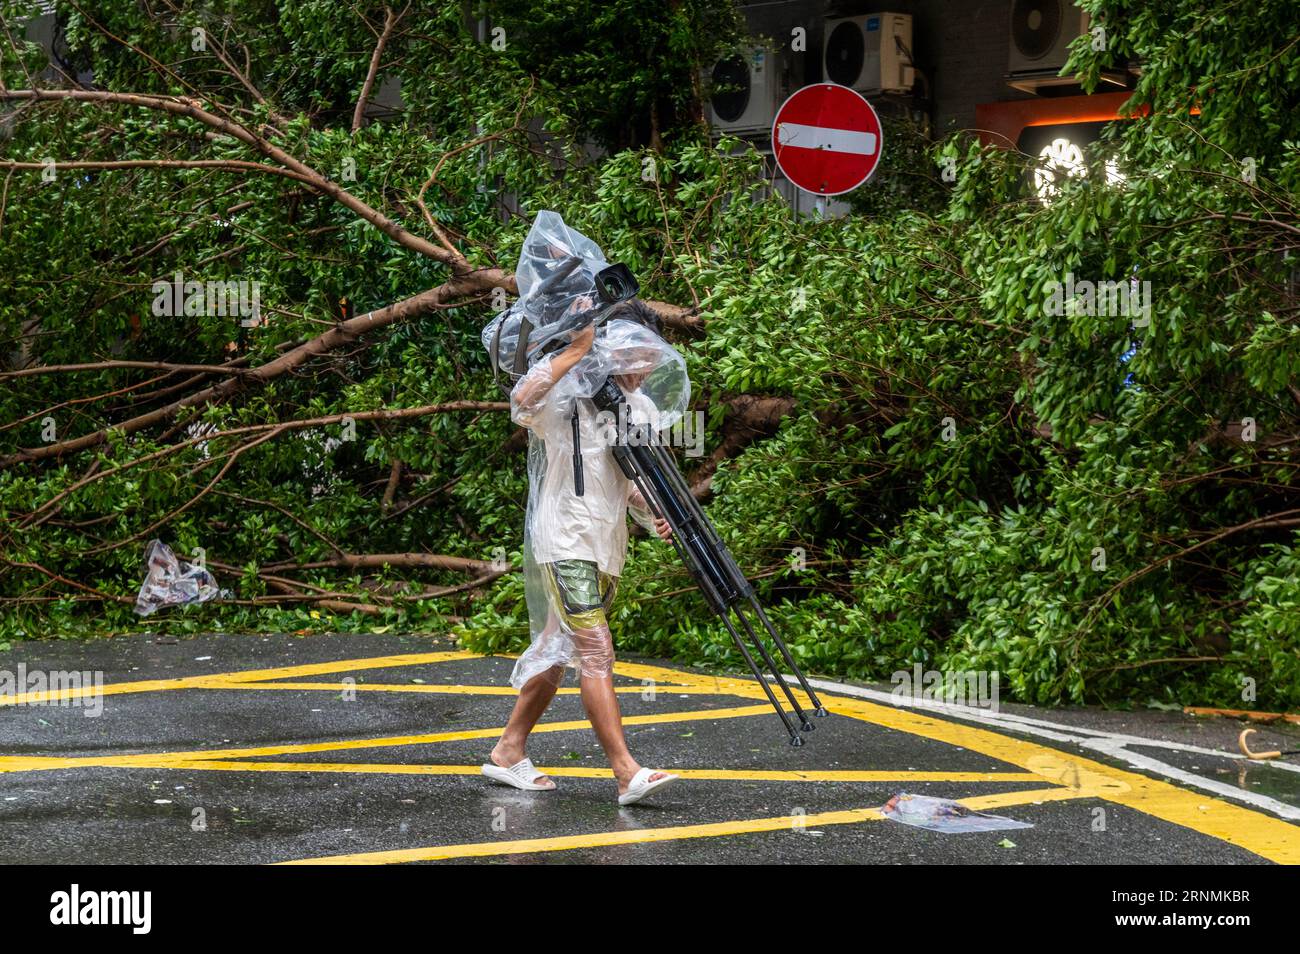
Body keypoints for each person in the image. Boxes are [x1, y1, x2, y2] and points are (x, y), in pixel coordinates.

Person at [480, 294, 686, 806]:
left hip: (605, 546)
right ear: (613, 349)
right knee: (595, 649)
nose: (643, 369)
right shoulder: (568, 390)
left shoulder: (639, 408)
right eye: (635, 357)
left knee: (561, 649)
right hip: (564, 539)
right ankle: (626, 771)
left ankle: (509, 750)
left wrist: (653, 514)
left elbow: (632, 485)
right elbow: (522, 400)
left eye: (650, 358)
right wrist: (575, 350)